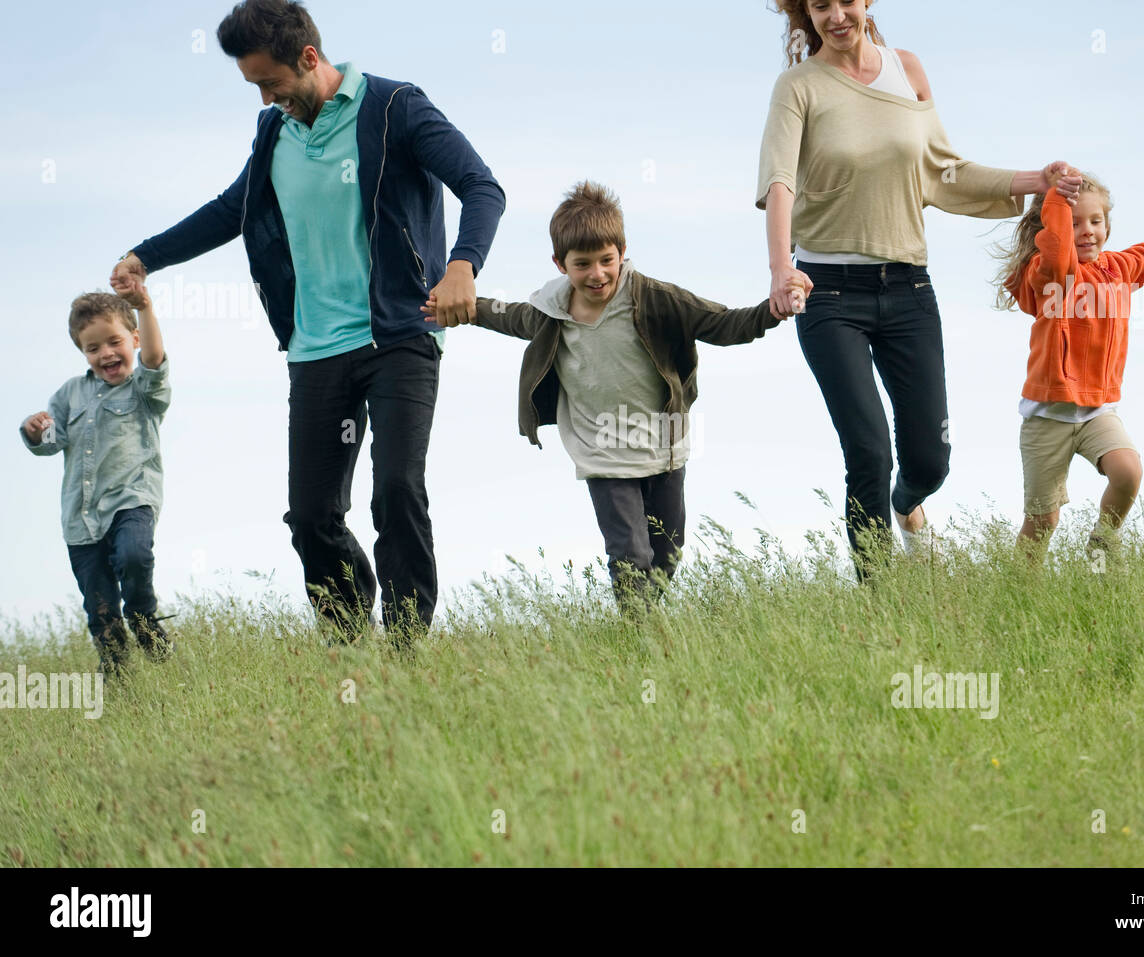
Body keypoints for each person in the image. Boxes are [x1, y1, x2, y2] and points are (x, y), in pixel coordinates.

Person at [110, 0, 506, 642]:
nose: (265, 100)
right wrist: (146, 256)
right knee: (311, 516)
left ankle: (407, 650)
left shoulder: (394, 106)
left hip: (399, 333)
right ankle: (350, 643)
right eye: (254, 87)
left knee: (397, 491)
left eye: (270, 83)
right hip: (316, 347)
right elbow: (230, 209)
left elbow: (482, 187)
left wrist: (462, 265)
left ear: (309, 59)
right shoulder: (276, 133)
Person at [758, 0, 1082, 575]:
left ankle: (908, 507)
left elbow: (944, 170)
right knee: (868, 449)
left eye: (845, 2)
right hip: (828, 294)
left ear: (868, 3)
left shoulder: (906, 71)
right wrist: (781, 268)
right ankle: (878, 601)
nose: (835, 16)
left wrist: (1039, 179)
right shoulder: (798, 87)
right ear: (806, 12)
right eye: (820, 5)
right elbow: (780, 178)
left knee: (930, 462)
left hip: (908, 288)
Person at [427, 182, 800, 613]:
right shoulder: (551, 311)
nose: (597, 274)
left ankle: (640, 622)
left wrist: (773, 311)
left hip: (664, 446)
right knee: (630, 555)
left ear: (622, 251)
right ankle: (635, 634)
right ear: (559, 263)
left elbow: (725, 325)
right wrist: (462, 308)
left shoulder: (656, 300)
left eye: (606, 260)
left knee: (667, 554)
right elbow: (505, 315)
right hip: (601, 452)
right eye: (582, 264)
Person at [995, 166, 1144, 558]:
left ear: (1107, 225)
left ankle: (1101, 544)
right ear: (1055, 227)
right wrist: (1054, 200)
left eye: (1096, 221)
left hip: (1096, 413)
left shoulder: (1119, 270)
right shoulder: (1048, 274)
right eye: (1075, 222)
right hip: (1047, 416)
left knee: (1128, 471)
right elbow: (1055, 255)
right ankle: (1019, 595)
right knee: (1043, 521)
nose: (1087, 230)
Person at [20, 281, 172, 676]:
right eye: (93, 347)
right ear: (83, 352)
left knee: (134, 557)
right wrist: (34, 430)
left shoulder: (143, 389)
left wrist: (145, 308)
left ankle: (144, 620)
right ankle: (119, 680)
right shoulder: (70, 394)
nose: (106, 352)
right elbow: (52, 441)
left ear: (133, 339)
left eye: (114, 341)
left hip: (130, 501)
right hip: (81, 519)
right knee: (100, 608)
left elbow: (155, 360)